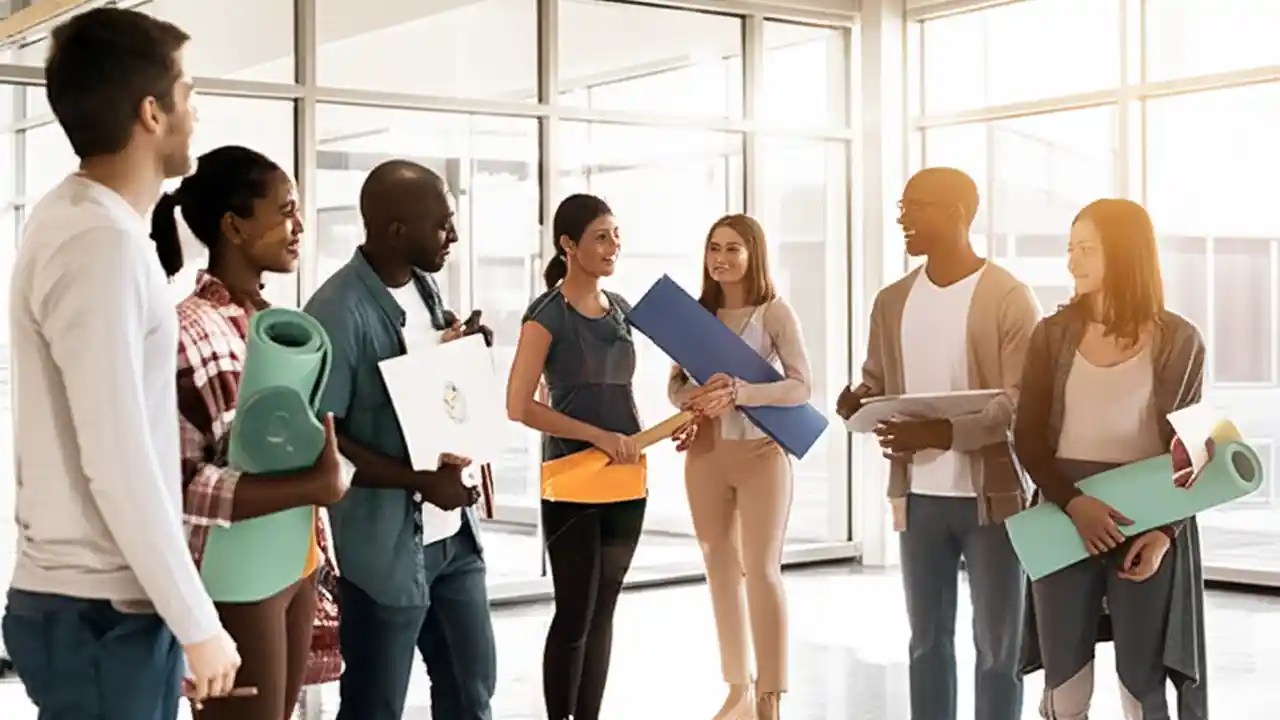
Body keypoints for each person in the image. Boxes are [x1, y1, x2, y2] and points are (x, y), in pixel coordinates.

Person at [2, 8, 241, 717]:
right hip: (97, 610)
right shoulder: (95, 242)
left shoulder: (93, 225)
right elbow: (116, 455)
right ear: (151, 112)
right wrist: (197, 622)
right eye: (188, 93)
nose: (196, 113)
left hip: (105, 605)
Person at [835, 167, 1040, 720]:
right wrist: (859, 400)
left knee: (998, 650)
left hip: (993, 502)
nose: (902, 217)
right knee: (925, 644)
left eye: (914, 206)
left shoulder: (1009, 297)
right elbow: (878, 379)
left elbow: (1018, 402)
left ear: (956, 212)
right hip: (918, 498)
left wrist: (944, 433)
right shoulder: (891, 301)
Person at [150, 145, 347, 719]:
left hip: (296, 555)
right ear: (235, 226)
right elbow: (181, 485)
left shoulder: (271, 324)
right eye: (284, 210)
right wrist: (313, 486)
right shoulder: (188, 330)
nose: (299, 225)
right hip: (234, 570)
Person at [303, 159, 496, 720]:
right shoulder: (336, 311)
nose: (453, 236)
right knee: (374, 707)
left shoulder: (426, 288)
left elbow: (429, 392)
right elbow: (325, 437)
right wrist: (418, 482)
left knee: (470, 693)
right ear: (394, 230)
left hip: (455, 540)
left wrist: (463, 350)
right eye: (442, 225)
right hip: (384, 552)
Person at [1013, 198, 1209, 720]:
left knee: (1141, 684)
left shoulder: (1180, 340)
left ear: (1123, 253)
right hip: (1061, 516)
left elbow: (1191, 452)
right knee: (1065, 682)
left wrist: (1165, 534)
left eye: (1086, 249)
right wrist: (1075, 504)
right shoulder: (1051, 335)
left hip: (1146, 522)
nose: (1072, 262)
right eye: (1070, 249)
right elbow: (1026, 436)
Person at [506, 193, 694, 720]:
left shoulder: (624, 310)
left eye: (616, 235)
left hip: (626, 475)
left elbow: (685, 366)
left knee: (606, 608)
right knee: (575, 612)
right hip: (571, 475)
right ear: (568, 245)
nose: (614, 246)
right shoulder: (546, 315)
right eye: (601, 236)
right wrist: (596, 436)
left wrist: (693, 402)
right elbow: (519, 405)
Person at [667, 214, 811, 720]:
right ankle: (737, 686)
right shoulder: (695, 315)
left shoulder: (774, 313)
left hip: (761, 455)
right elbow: (675, 385)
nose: (721, 258)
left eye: (732, 248)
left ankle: (770, 692)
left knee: (762, 570)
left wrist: (742, 392)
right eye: (713, 248)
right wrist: (691, 398)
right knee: (719, 567)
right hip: (706, 455)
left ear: (754, 254)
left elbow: (801, 385)